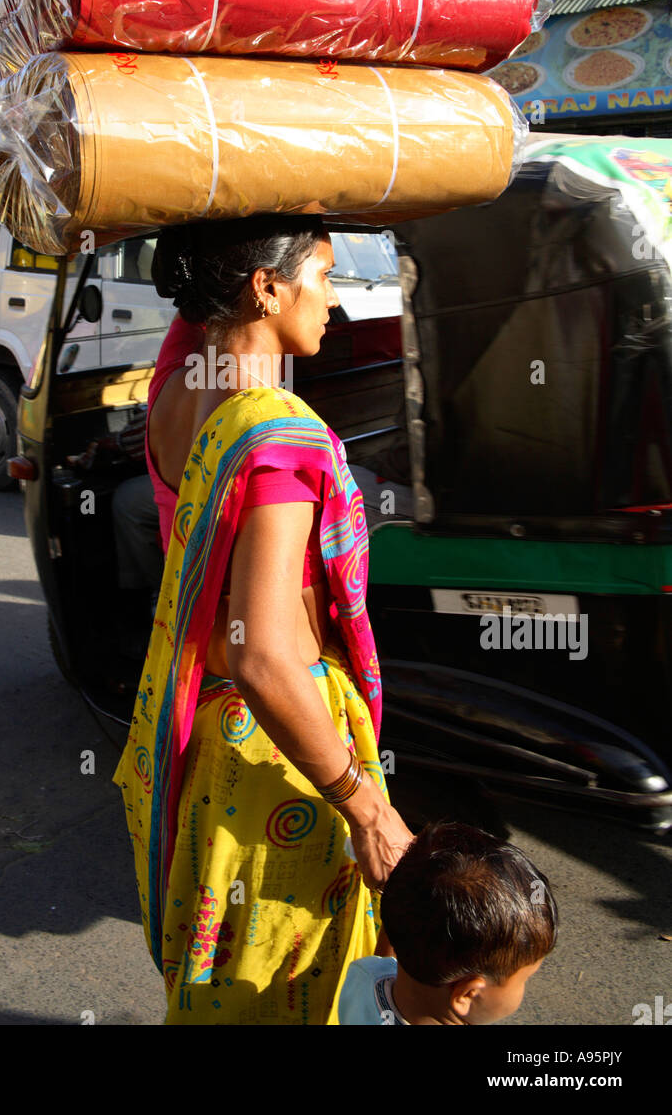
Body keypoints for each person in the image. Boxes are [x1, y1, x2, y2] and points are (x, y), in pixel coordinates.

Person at [113, 215, 414, 1025]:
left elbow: (204, 309)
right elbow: (265, 652)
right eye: (322, 274)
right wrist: (366, 808)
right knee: (289, 992)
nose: (335, 299)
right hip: (275, 748)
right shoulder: (276, 437)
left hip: (211, 736)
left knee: (224, 988)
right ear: (266, 287)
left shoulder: (178, 388)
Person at [338, 821, 558, 1025]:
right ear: (467, 994)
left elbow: (387, 960)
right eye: (525, 979)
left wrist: (404, 900)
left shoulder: (364, 976)